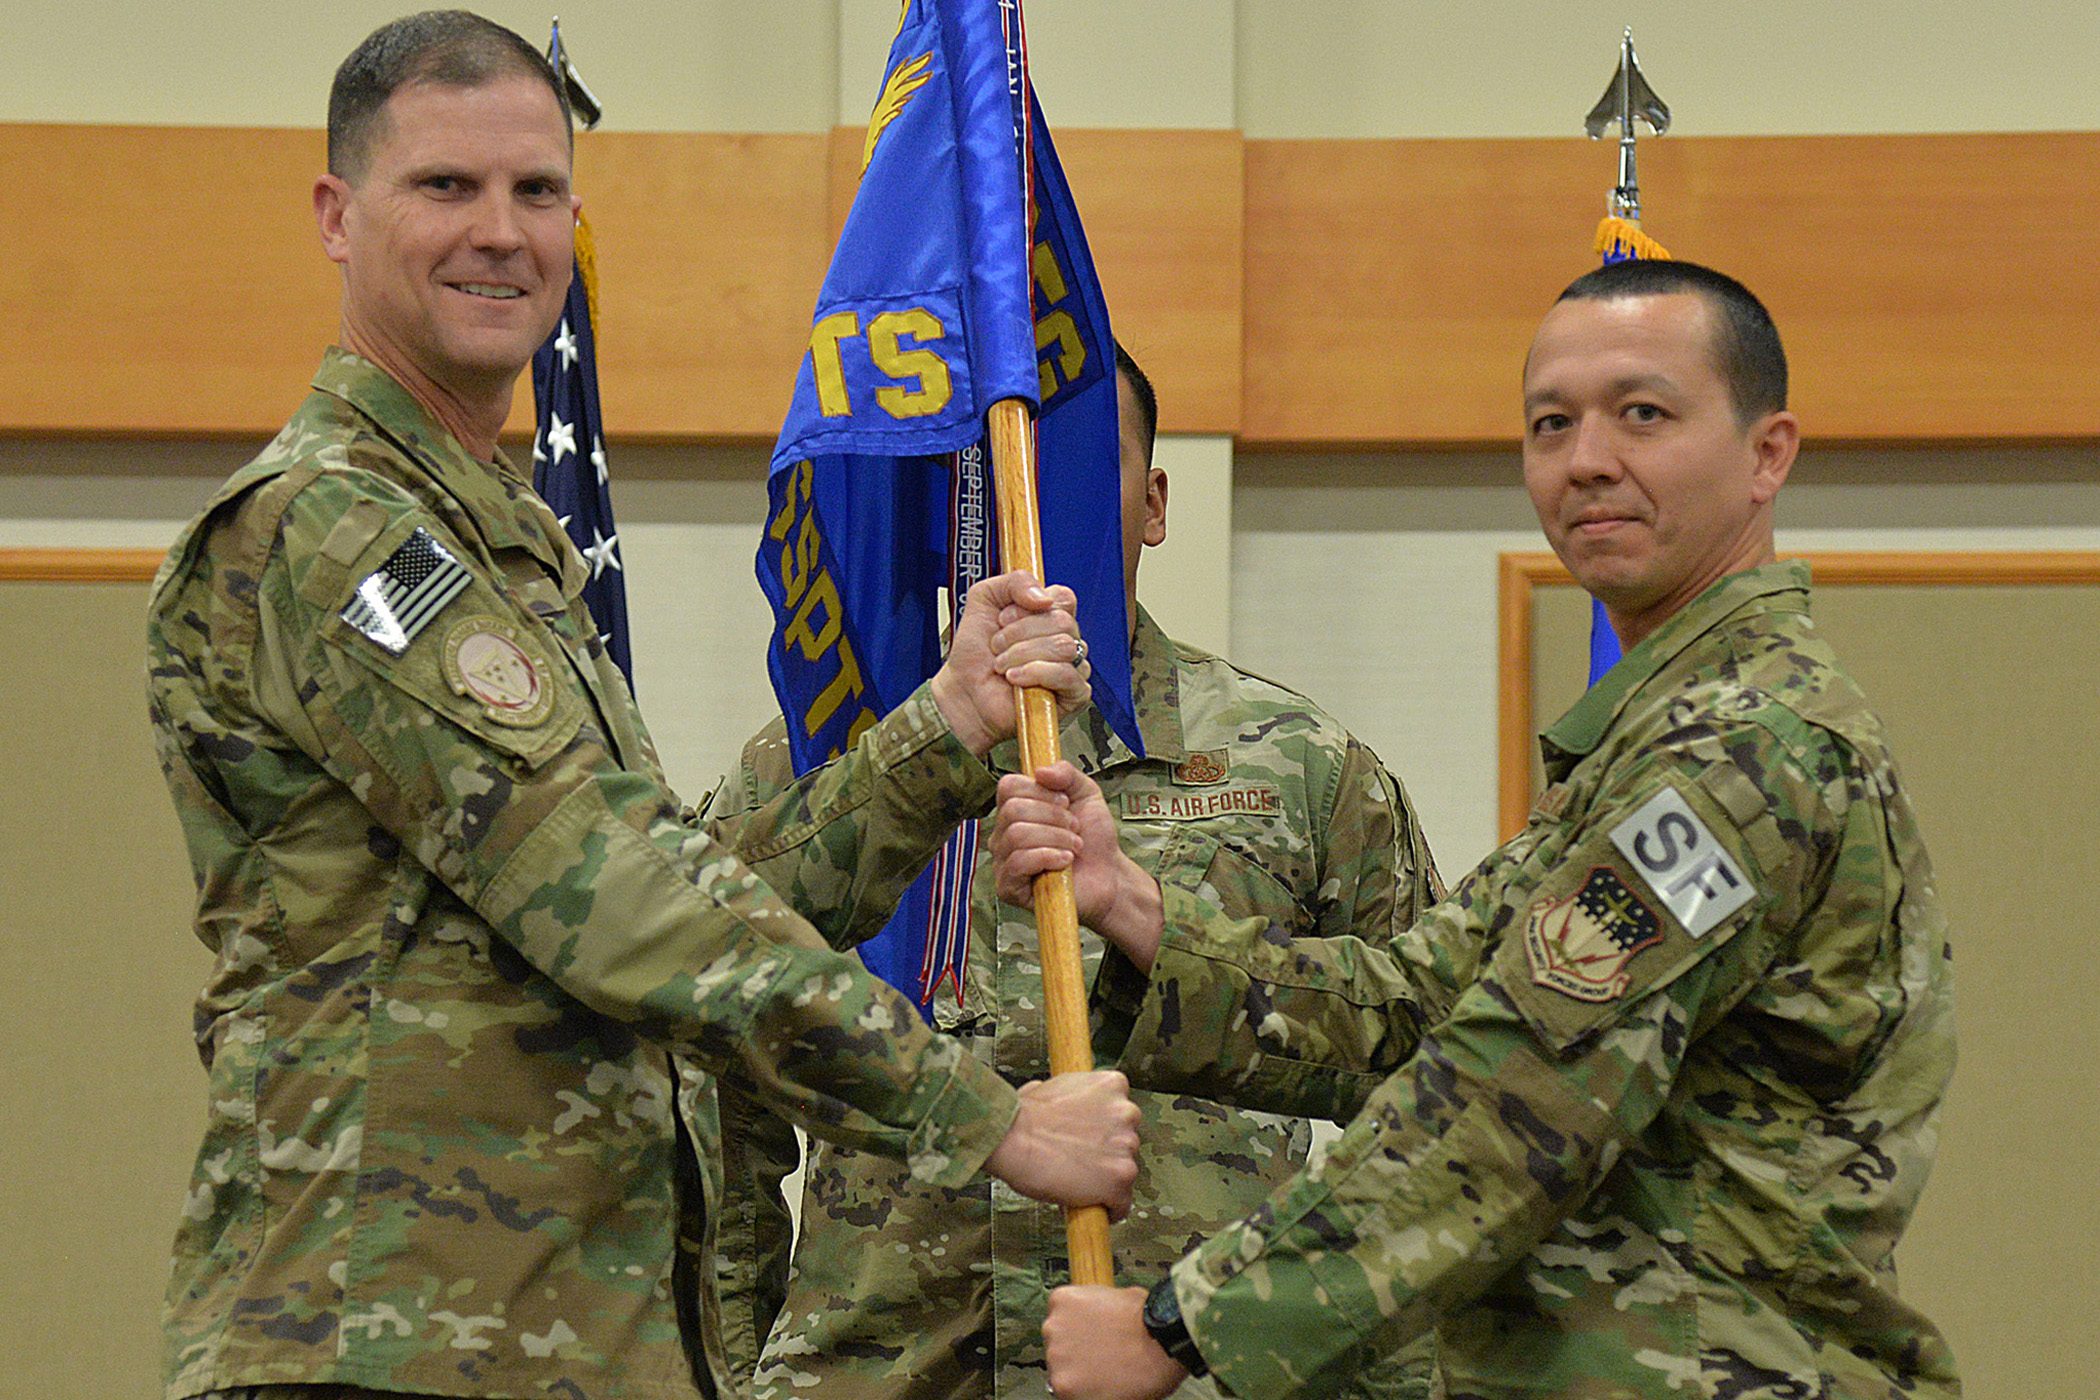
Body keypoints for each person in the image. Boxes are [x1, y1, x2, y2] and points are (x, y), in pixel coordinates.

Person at [145, 13, 1141, 1400]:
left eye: (537, 191)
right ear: (336, 213)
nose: (502, 232)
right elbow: (617, 899)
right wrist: (986, 1120)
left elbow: (696, 886)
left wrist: (951, 725)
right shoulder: (333, 534)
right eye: (446, 188)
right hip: (383, 1344)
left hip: (553, 1344)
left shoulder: (502, 546)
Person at [996, 261, 1960, 1400]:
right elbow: (1421, 1004)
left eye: (1643, 413)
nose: (1589, 457)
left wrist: (1178, 1326)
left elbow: (1514, 1091)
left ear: (1768, 452)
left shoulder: (1743, 747)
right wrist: (1137, 908)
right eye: (1553, 422)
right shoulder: (1651, 735)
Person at [710, 344, 1446, 1400]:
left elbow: (1430, 1086)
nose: (1025, 505)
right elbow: (701, 1064)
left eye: (1069, 465)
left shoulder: (1299, 764)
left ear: (1152, 503)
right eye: (992, 472)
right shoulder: (817, 766)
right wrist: (729, 1369)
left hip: (1190, 1370)